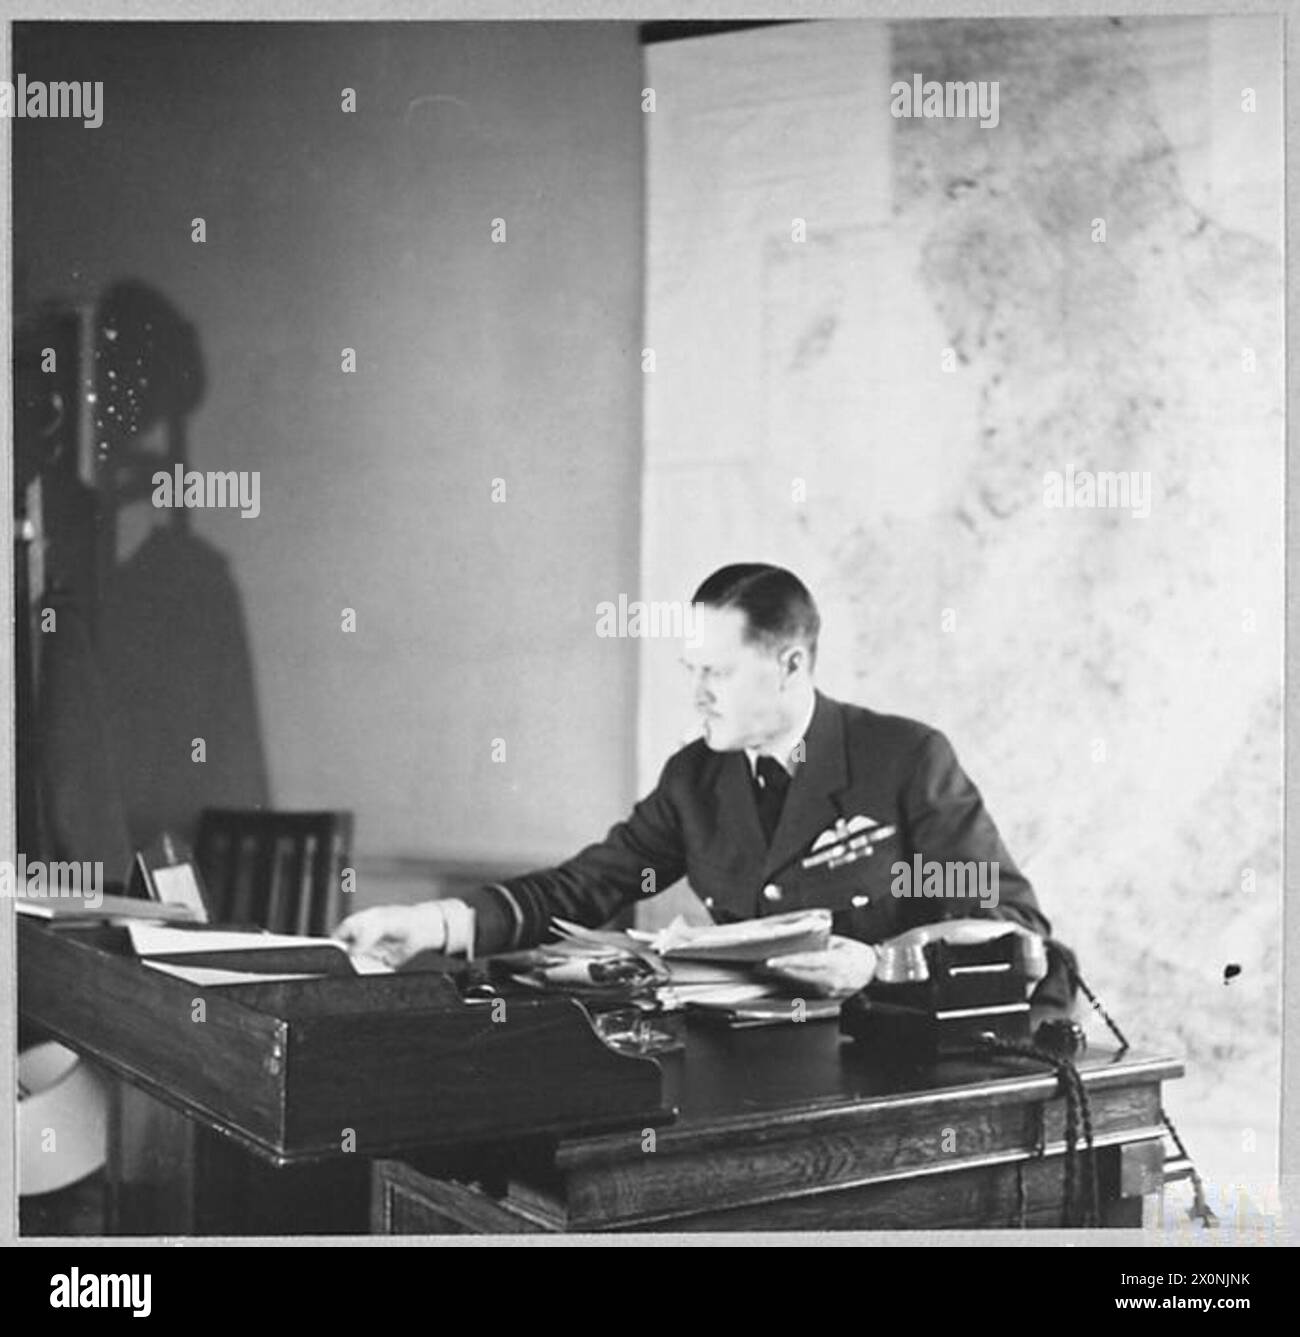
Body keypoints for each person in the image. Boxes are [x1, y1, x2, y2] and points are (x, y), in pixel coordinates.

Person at [335, 563, 1049, 997]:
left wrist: (879, 965)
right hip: (759, 1074)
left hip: (898, 1079)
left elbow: (1014, 933)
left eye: (719, 672)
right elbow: (582, 889)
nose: (699, 693)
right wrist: (427, 924)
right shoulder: (695, 778)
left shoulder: (905, 758)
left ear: (792, 664)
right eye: (693, 671)